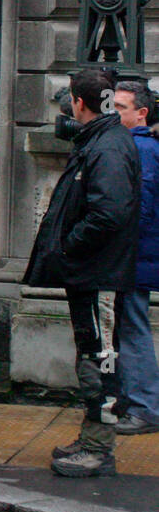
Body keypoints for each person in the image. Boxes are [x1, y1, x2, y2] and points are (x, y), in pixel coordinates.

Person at [24, 67, 140, 477]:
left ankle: (98, 450)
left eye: (71, 98)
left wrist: (69, 245)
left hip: (97, 274)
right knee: (93, 358)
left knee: (99, 361)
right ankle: (91, 439)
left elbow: (108, 213)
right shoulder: (102, 139)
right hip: (94, 274)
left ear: (78, 102)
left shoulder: (107, 147)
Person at [110, 81, 159, 434]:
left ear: (141, 113)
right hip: (134, 255)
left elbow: (138, 209)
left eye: (120, 108)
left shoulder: (141, 149)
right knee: (128, 328)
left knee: (133, 329)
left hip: (134, 255)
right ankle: (133, 401)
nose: (113, 114)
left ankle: (143, 407)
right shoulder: (138, 145)